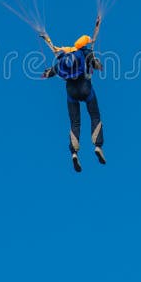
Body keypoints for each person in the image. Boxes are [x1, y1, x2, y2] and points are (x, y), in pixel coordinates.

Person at [41, 18, 105, 173]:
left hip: (71, 93)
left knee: (75, 123)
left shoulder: (63, 59)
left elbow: (51, 69)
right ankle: (97, 146)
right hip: (85, 89)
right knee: (94, 115)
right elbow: (95, 62)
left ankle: (74, 153)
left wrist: (46, 38)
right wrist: (98, 65)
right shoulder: (84, 52)